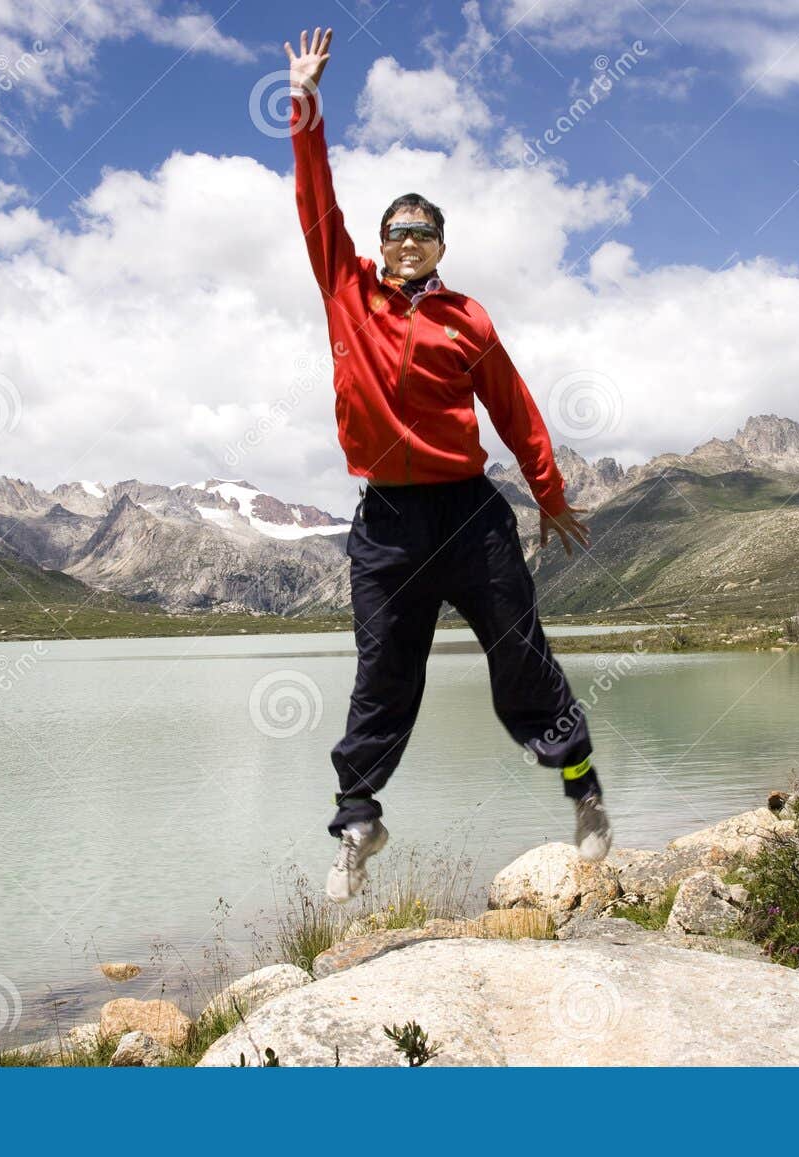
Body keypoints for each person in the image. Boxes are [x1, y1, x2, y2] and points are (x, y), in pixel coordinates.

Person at [282, 27, 611, 903]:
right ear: (381, 242)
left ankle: (581, 782)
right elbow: (317, 204)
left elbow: (515, 409)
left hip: (470, 513)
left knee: (519, 655)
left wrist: (549, 493)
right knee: (383, 669)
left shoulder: (469, 320)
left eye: (424, 231)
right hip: (387, 521)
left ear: (440, 245)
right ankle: (358, 820)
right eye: (398, 230)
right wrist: (305, 104)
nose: (409, 241)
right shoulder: (346, 289)